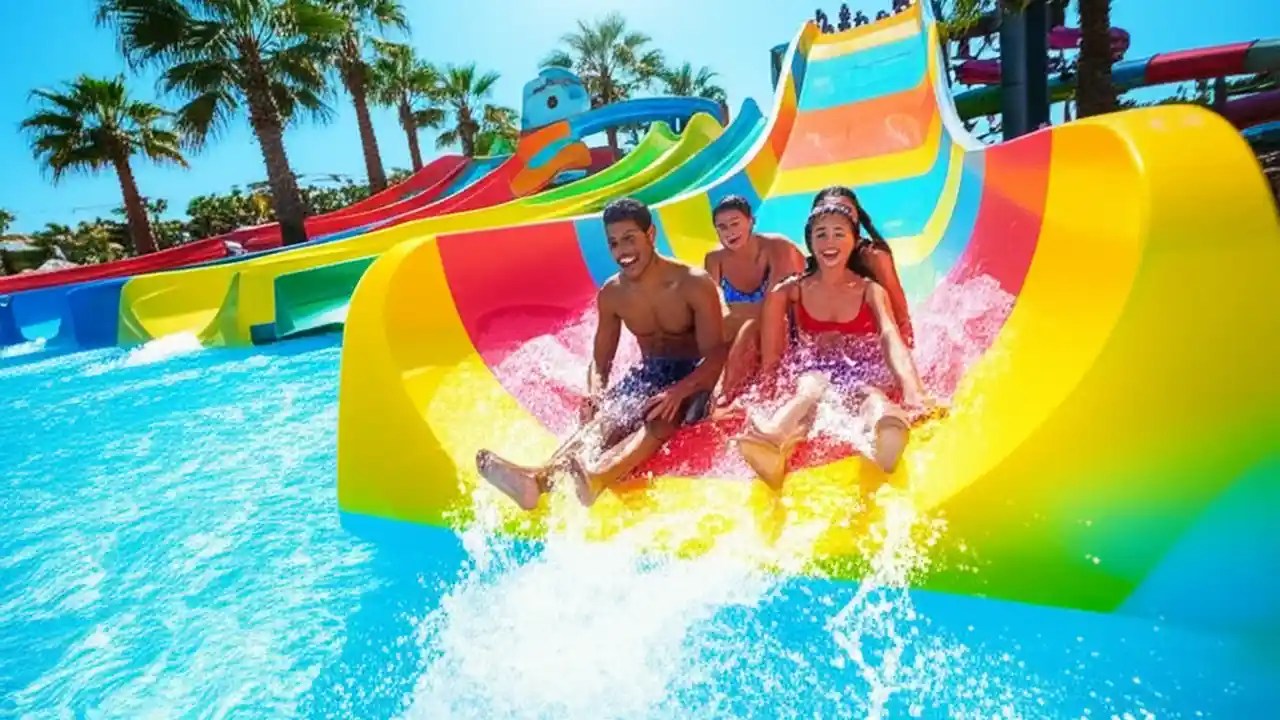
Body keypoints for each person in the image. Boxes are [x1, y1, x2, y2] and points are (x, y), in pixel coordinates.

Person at [476, 198, 727, 509]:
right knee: (605, 420)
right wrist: (596, 392)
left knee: (661, 415)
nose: (622, 251)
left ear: (651, 235)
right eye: (614, 243)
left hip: (693, 376)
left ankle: (598, 477)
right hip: (651, 372)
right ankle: (536, 482)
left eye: (630, 239)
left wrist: (680, 391)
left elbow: (716, 355)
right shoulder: (613, 294)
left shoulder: (692, 283)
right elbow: (600, 360)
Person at [734, 202, 933, 488]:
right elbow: (772, 355)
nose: (830, 242)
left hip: (864, 366)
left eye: (839, 234)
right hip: (816, 367)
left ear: (854, 241)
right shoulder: (791, 291)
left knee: (868, 393)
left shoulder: (869, 290)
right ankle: (774, 439)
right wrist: (769, 389)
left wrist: (913, 389)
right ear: (810, 243)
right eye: (821, 235)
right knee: (809, 390)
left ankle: (885, 423)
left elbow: (891, 337)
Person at [704, 195, 805, 412]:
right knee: (728, 325)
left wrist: (737, 315)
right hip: (745, 333)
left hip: (788, 327)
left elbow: (776, 305)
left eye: (735, 224)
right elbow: (713, 312)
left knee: (750, 324)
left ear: (751, 221)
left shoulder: (778, 247)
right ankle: (722, 390)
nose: (729, 232)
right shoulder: (714, 260)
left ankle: (734, 390)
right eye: (722, 227)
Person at [810, 186, 914, 347]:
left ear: (856, 222)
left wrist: (906, 351)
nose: (836, 215)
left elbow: (901, 317)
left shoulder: (874, 258)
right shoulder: (816, 263)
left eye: (844, 210)